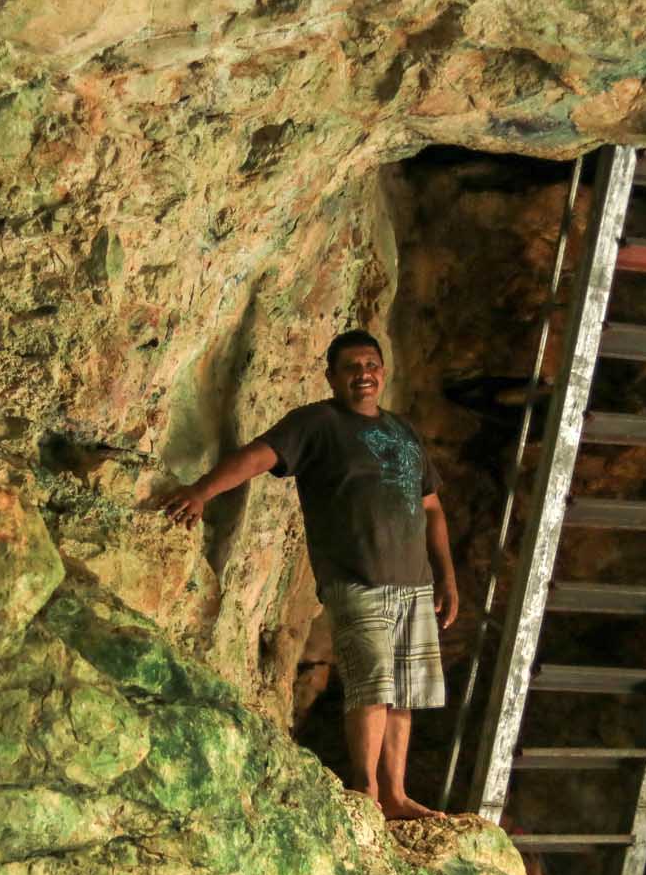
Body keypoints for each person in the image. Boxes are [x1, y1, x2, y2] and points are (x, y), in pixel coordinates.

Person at [159, 329, 458, 821]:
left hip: (414, 583)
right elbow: (257, 457)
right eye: (351, 367)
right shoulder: (318, 423)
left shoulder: (403, 430)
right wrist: (201, 491)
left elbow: (432, 508)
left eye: (371, 364)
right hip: (358, 578)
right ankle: (366, 789)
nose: (364, 374)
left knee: (405, 691)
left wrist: (446, 577)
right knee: (372, 685)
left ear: (383, 371)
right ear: (332, 377)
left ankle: (395, 793)